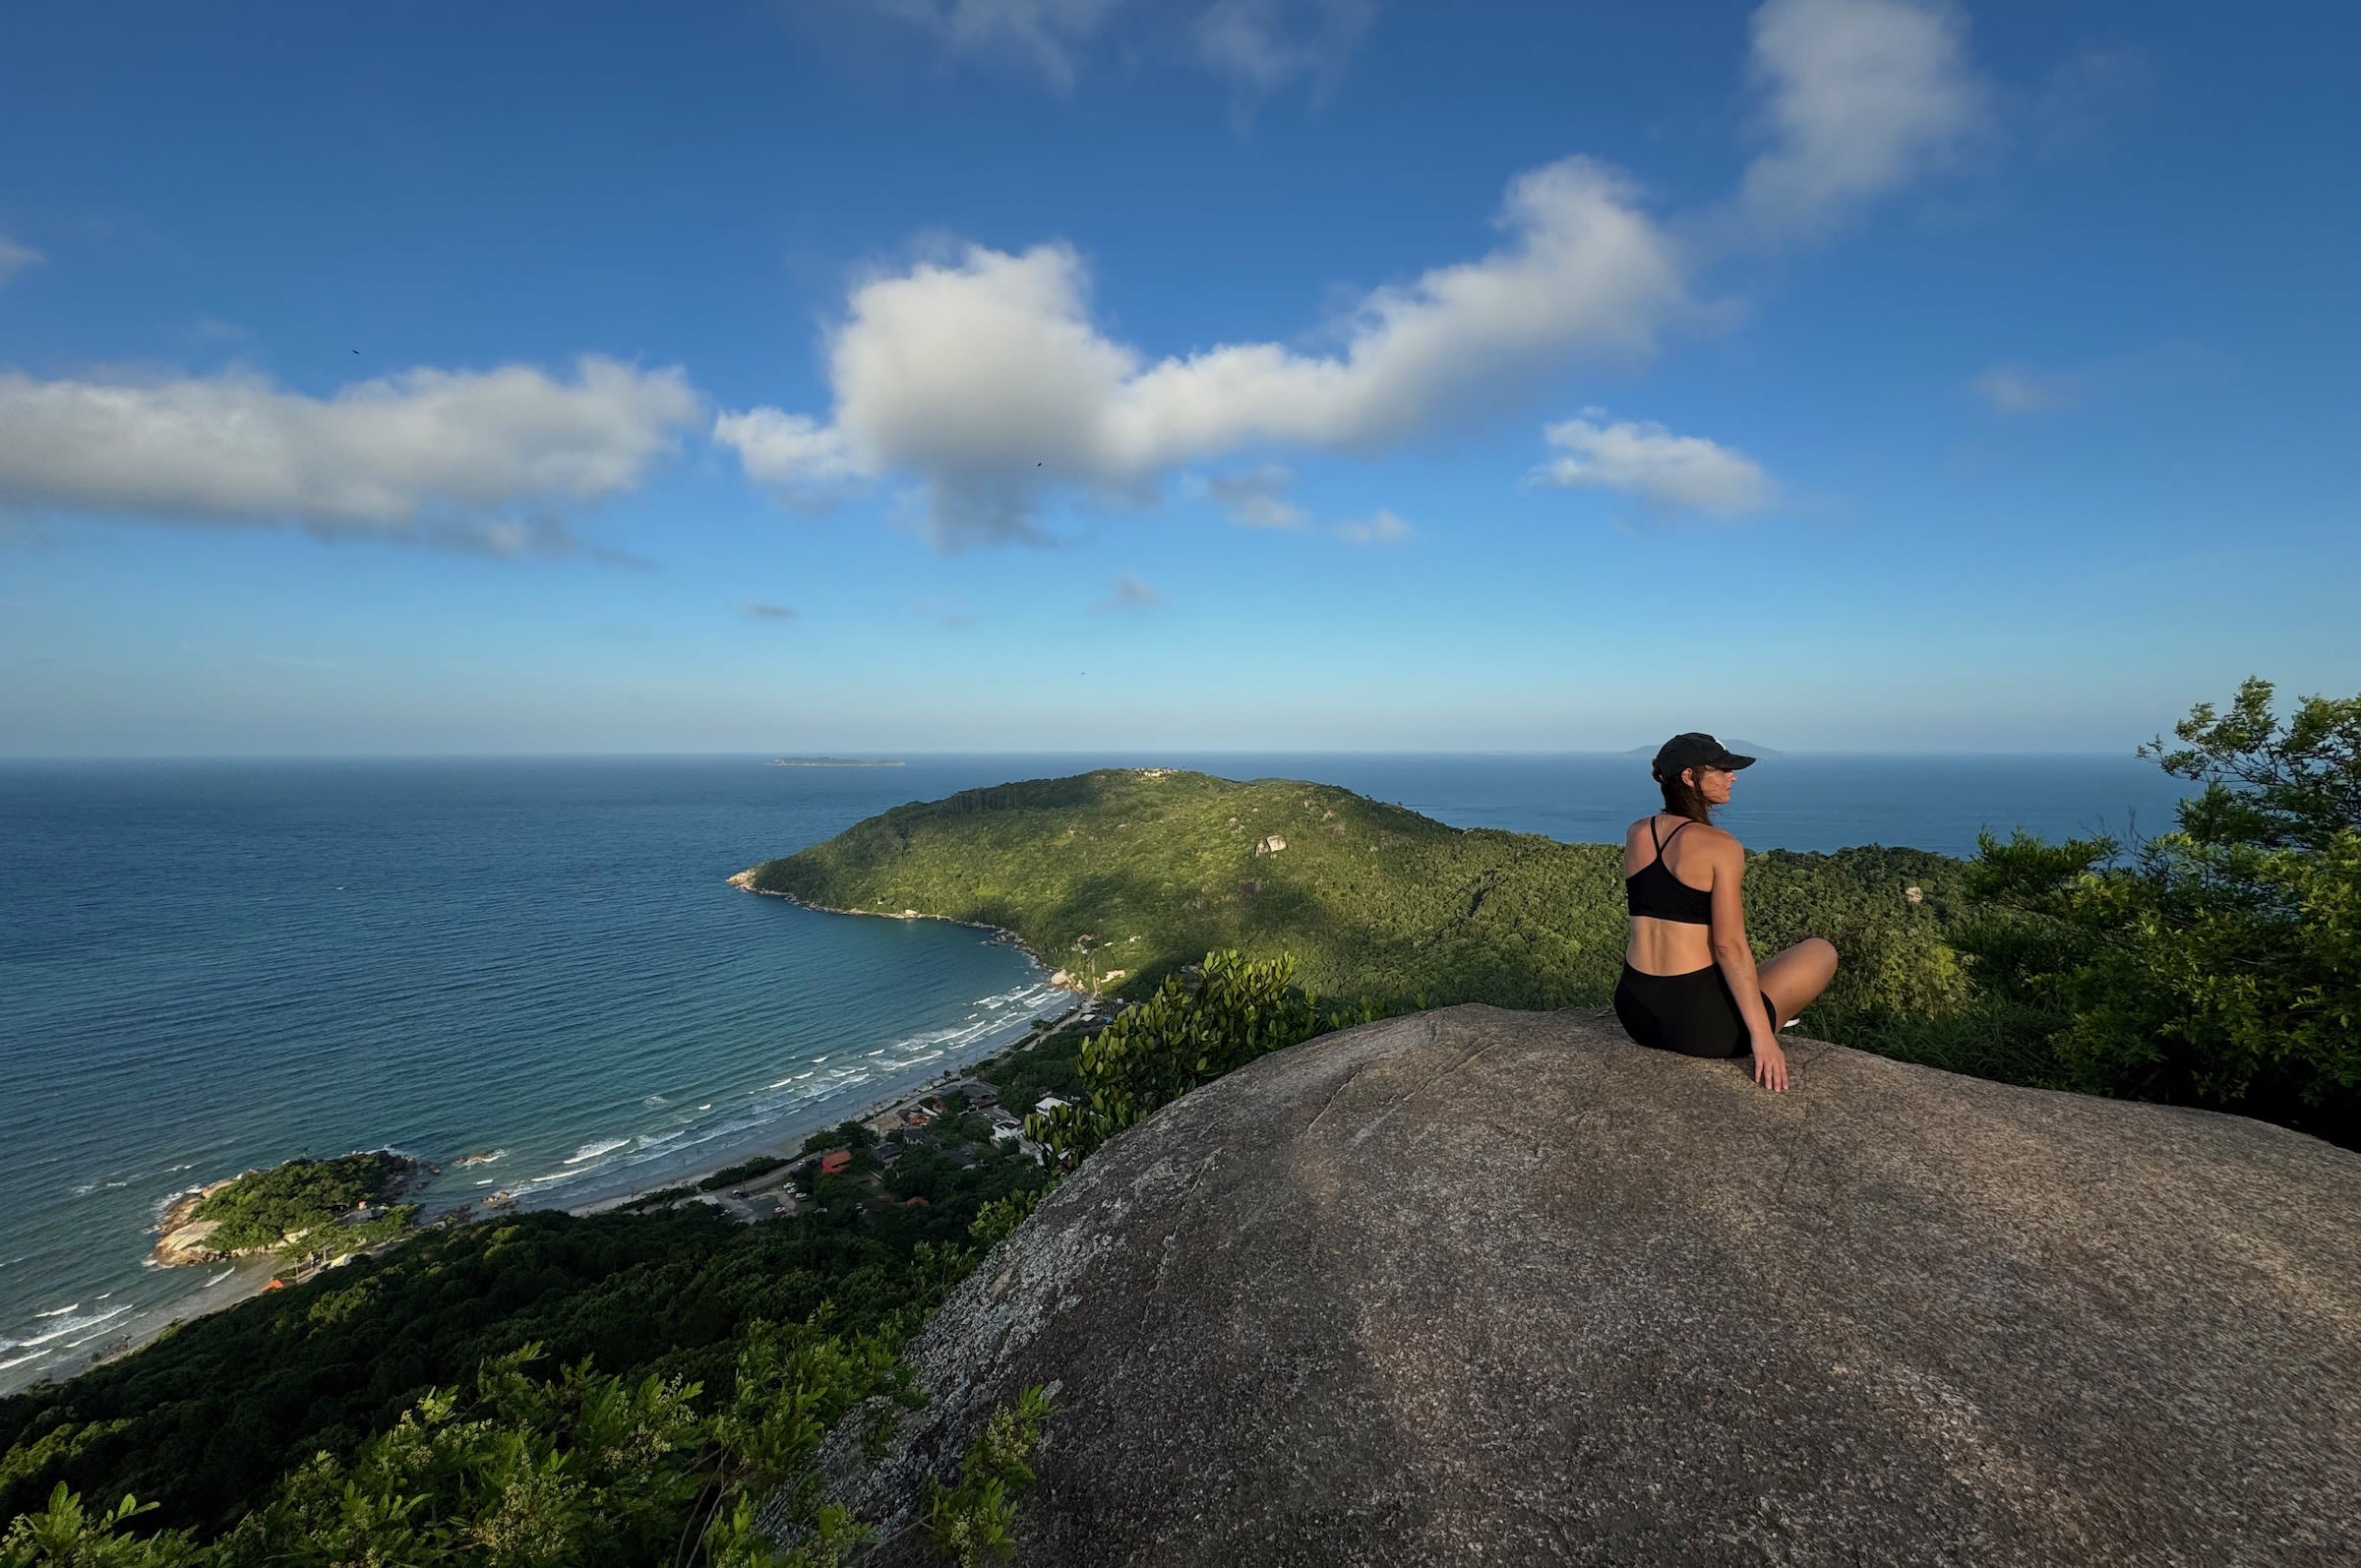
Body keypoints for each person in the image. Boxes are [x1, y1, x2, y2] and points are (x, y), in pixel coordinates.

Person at [1612, 733, 1838, 1092]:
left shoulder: (1637, 832)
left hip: (1635, 1012)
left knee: (1752, 971)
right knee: (1820, 951)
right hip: (1702, 1029)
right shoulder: (1721, 846)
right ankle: (1773, 1020)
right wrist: (1762, 1039)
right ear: (1689, 777)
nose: (1732, 776)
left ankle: (1765, 1010)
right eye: (1722, 769)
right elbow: (1728, 946)